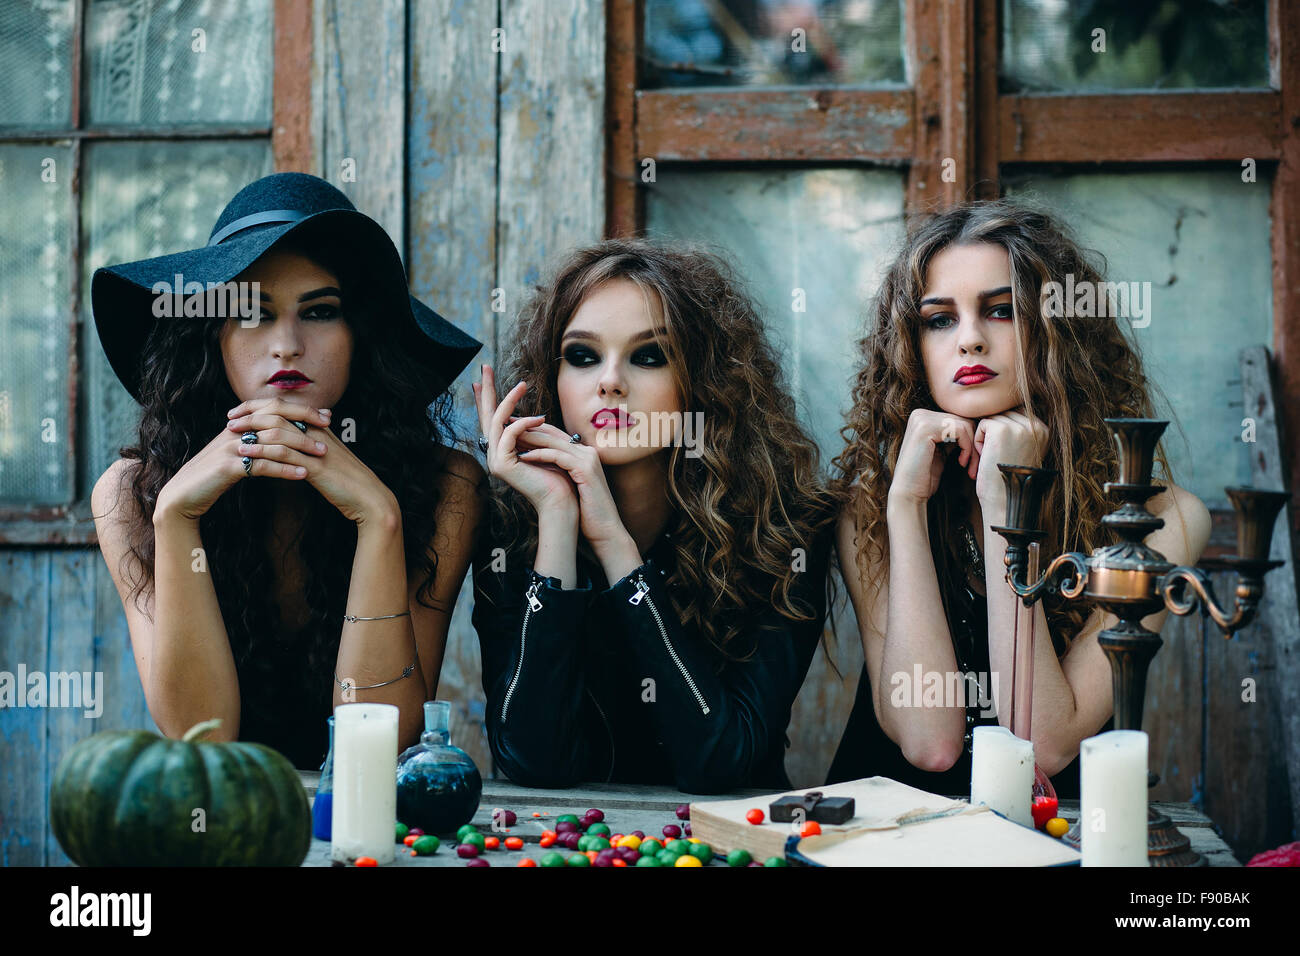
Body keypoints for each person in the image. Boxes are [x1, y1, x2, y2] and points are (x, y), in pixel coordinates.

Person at [90, 172, 484, 767]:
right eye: (252, 313)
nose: (286, 344)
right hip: (220, 827)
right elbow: (202, 738)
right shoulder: (133, 494)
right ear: (211, 337)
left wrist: (377, 518)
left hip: (369, 827)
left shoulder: (447, 486)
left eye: (321, 311)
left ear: (362, 336)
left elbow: (378, 742)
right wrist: (176, 517)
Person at [827, 199, 1210, 797]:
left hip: (1058, 839)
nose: (971, 341)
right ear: (912, 345)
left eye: (1002, 312)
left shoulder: (1162, 521)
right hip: (881, 840)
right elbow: (930, 745)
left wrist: (1010, 507)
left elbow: (1042, 744)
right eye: (939, 320)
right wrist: (904, 509)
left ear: (1059, 330)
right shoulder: (874, 507)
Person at [471, 239, 838, 793]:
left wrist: (616, 549)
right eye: (582, 355)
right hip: (565, 847)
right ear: (553, 379)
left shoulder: (783, 527)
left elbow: (720, 761)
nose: (610, 381)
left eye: (649, 356)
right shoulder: (510, 523)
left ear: (705, 381)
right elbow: (532, 761)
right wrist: (556, 515)